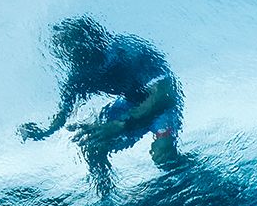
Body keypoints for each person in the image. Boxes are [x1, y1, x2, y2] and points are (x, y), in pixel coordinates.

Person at [19, 16, 183, 194]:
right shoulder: (79, 76)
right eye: (65, 49)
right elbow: (62, 115)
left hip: (163, 103)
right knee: (93, 147)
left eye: (73, 46)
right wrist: (43, 132)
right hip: (129, 104)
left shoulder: (127, 51)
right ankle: (106, 197)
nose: (70, 53)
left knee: (163, 155)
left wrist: (122, 124)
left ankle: (194, 182)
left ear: (90, 40)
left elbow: (164, 93)